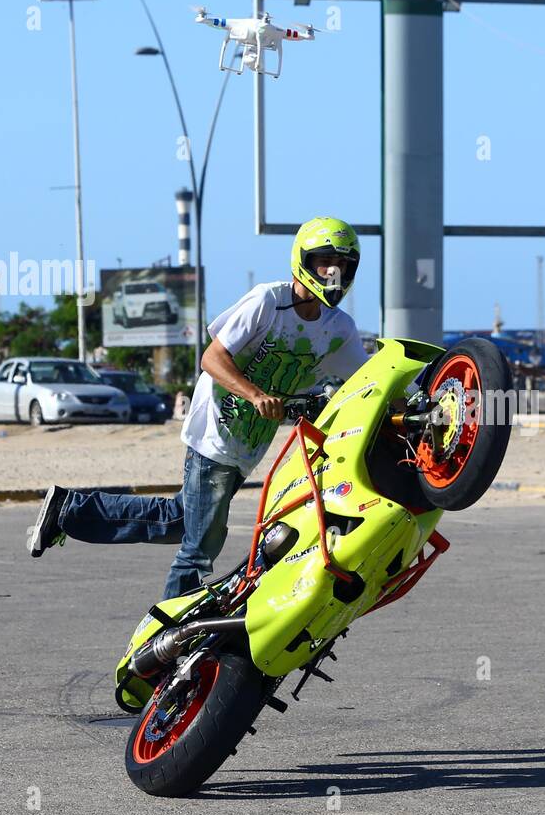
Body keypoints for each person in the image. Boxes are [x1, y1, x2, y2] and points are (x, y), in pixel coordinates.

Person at [25, 217, 369, 599]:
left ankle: (70, 509)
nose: (333, 272)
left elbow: (366, 378)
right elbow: (213, 358)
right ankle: (167, 637)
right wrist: (256, 395)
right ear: (303, 259)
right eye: (325, 261)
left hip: (247, 444)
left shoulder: (339, 329)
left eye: (343, 264)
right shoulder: (269, 302)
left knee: (178, 520)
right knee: (199, 549)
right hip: (216, 430)